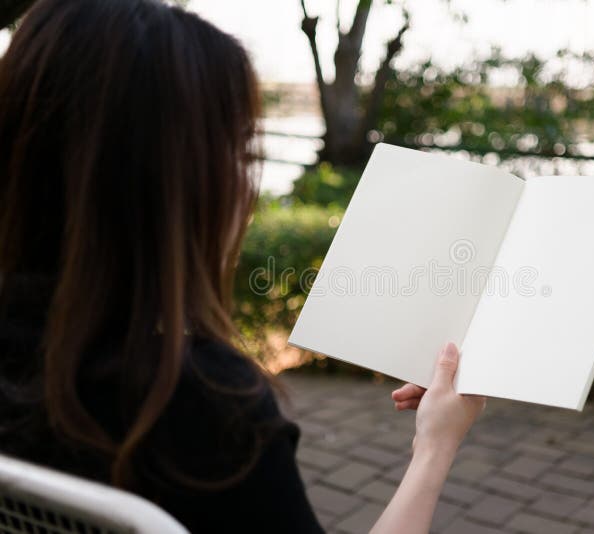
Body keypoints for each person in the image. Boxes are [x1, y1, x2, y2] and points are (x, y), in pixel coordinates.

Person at [0, 0, 485, 532]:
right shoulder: (200, 409)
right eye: (238, 152)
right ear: (176, 184)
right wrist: (435, 446)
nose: (244, 182)